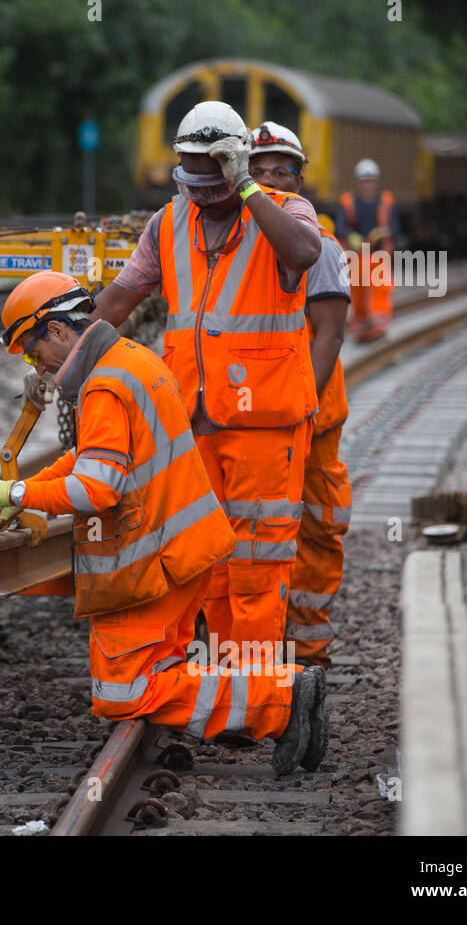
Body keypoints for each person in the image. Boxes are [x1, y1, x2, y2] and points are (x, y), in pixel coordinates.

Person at [0, 271, 327, 776]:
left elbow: (96, 488)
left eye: (30, 348)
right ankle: (281, 699)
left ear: (59, 331)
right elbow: (87, 460)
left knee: (123, 692)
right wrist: (26, 495)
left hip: (155, 566)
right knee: (161, 670)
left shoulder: (104, 386)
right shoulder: (130, 360)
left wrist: (17, 491)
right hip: (182, 553)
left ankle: (280, 702)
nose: (32, 362)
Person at [90, 101, 320, 665]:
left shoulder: (286, 212)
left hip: (265, 424)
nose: (205, 196)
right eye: (196, 183)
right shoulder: (167, 223)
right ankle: (225, 681)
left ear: (235, 164)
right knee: (209, 558)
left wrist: (246, 186)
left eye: (216, 183)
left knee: (258, 564)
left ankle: (255, 689)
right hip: (194, 422)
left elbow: (305, 253)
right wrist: (62, 363)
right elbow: (120, 300)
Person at [250, 122, 352, 668]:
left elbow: (329, 335)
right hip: (252, 420)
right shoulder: (233, 249)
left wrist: (304, 409)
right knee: (256, 535)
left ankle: (307, 650)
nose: (269, 182)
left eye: (280, 173)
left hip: (310, 418)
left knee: (316, 528)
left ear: (299, 179)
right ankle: (257, 648)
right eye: (258, 172)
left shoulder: (322, 249)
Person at [335, 159, 396, 342]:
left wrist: (383, 232)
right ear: (357, 182)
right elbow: (340, 227)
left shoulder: (386, 200)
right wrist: (351, 235)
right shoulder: (347, 201)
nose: (367, 185)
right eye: (364, 181)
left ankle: (379, 325)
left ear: (376, 182)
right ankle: (361, 326)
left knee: (379, 290)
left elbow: (394, 225)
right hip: (356, 256)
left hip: (378, 255)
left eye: (370, 181)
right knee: (357, 292)